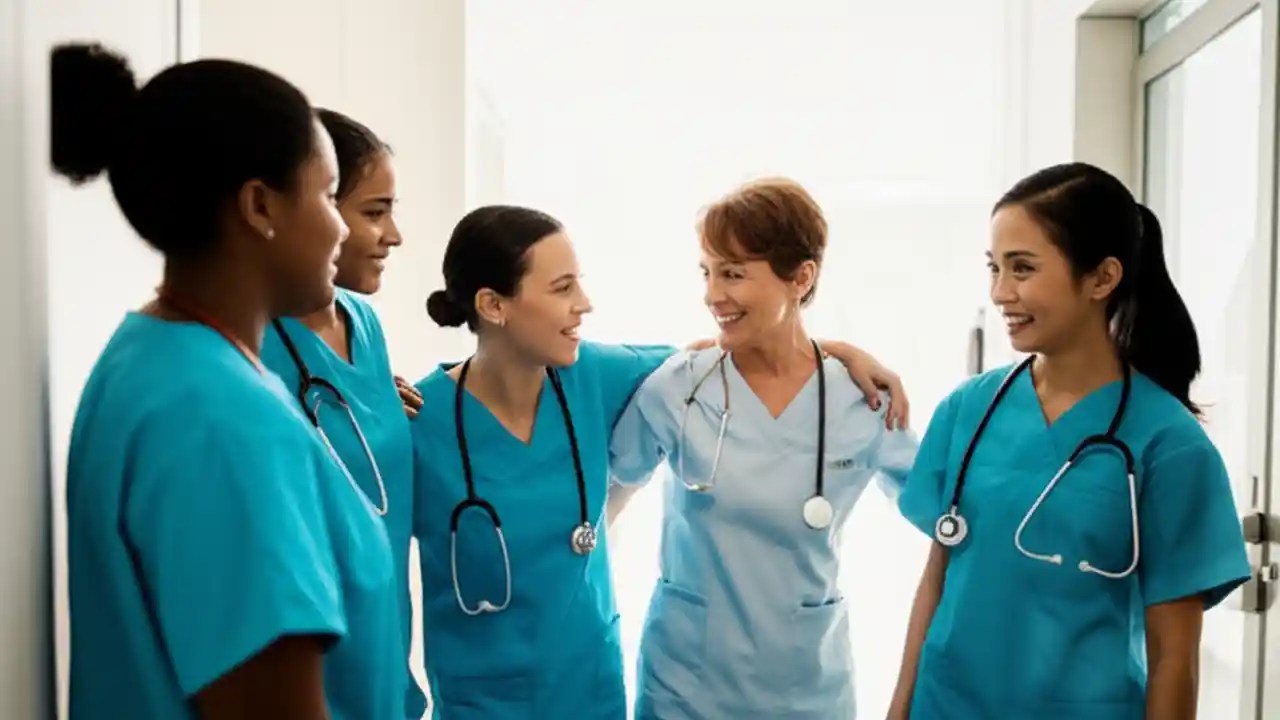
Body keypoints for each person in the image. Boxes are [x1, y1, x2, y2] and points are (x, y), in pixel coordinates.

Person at [409, 204, 906, 718]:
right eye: (562, 289)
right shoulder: (416, 421)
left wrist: (839, 353)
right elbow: (377, 583)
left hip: (590, 693)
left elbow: (743, 348)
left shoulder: (596, 374)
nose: (585, 304)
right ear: (493, 305)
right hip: (480, 701)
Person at [56, 44, 403, 718]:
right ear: (259, 205)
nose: (342, 226)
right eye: (330, 195)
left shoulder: (152, 357)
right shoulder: (222, 419)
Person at [888, 162, 1251, 719]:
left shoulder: (1168, 444)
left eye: (1023, 269)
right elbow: (935, 583)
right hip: (948, 706)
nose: (1001, 292)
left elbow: (1174, 657)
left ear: (1102, 279)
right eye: (995, 268)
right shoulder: (969, 409)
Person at [606, 177, 918, 719]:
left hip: (808, 689)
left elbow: (939, 510)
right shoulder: (680, 386)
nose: (711, 294)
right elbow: (609, 492)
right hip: (687, 685)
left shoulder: (860, 399)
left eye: (732, 273)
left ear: (801, 277)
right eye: (706, 272)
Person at [258, 108, 426, 718]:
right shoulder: (257, 347)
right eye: (373, 212)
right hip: (307, 677)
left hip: (385, 660)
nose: (394, 235)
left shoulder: (365, 324)